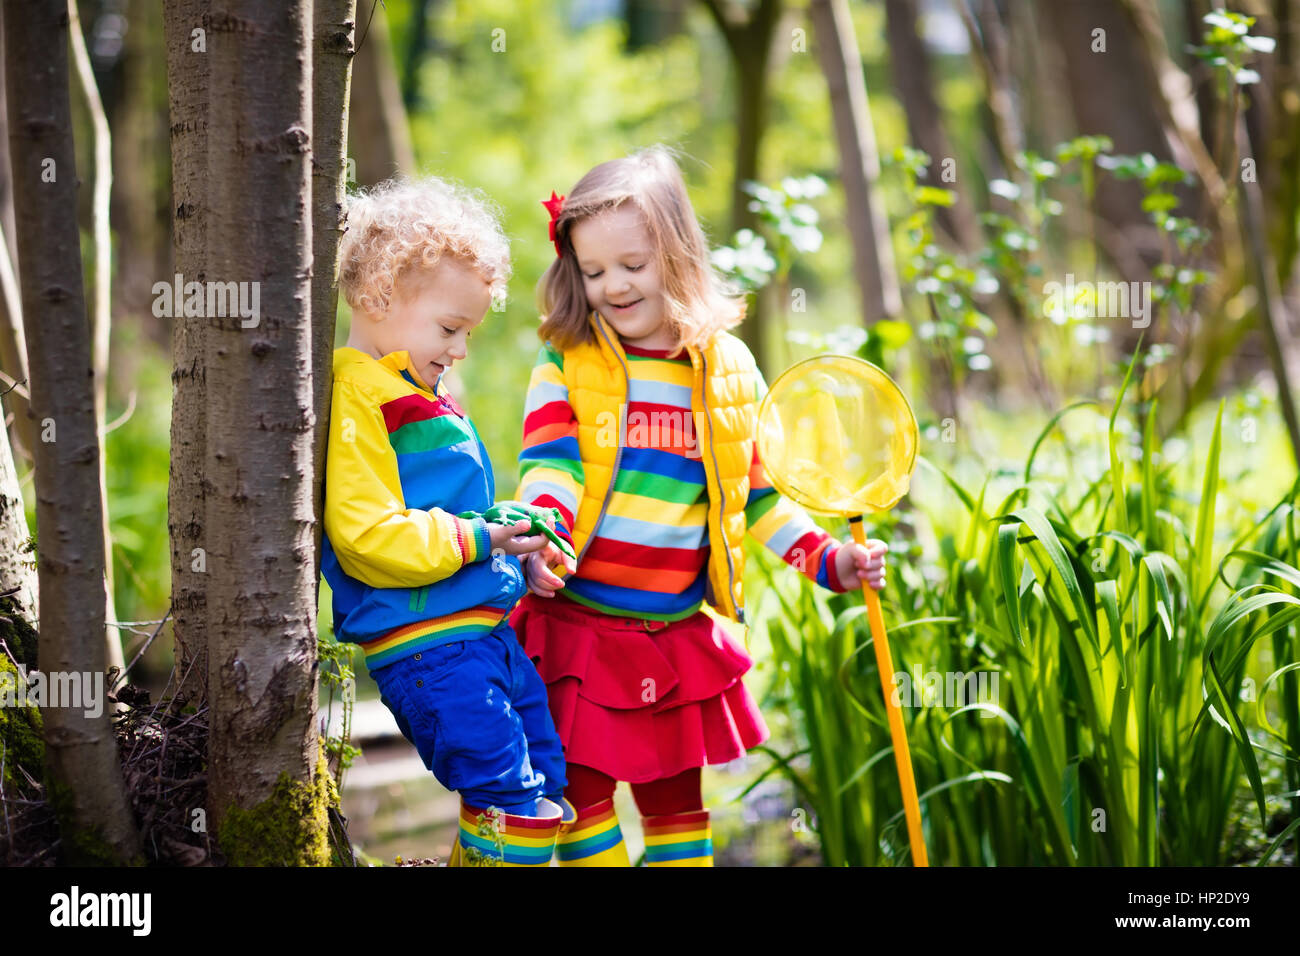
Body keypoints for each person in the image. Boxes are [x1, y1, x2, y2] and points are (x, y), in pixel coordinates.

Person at [510, 146, 888, 866]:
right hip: (579, 631)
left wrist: (830, 561)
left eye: (632, 265)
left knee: (679, 810)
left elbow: (759, 498)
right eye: (592, 272)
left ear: (678, 254)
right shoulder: (568, 360)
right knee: (579, 798)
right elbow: (548, 466)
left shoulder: (729, 372)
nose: (613, 287)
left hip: (674, 635)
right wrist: (542, 536)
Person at [322, 175, 575, 866]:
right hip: (431, 650)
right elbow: (368, 536)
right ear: (378, 295)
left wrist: (511, 543)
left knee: (546, 782)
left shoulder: (414, 391)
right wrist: (480, 537)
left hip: (484, 639)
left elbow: (449, 516)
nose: (460, 349)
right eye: (450, 328)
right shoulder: (360, 398)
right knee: (508, 797)